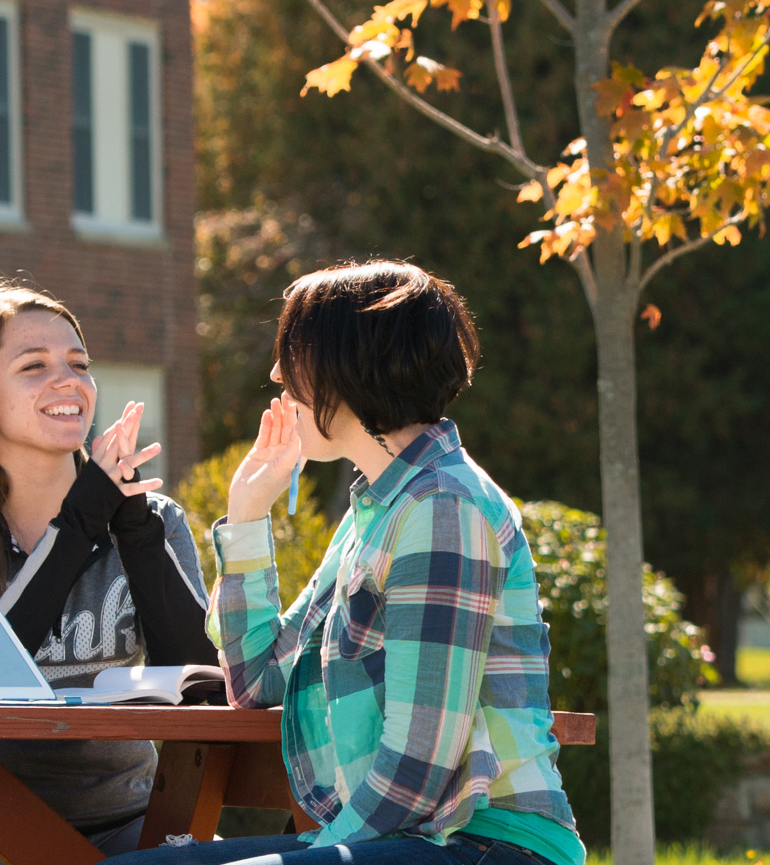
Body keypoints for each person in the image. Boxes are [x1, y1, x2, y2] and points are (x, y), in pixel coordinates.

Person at [102, 260, 584, 865]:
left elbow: (419, 765)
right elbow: (256, 682)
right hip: (404, 837)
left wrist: (320, 848)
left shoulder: (443, 508)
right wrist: (247, 512)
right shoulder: (376, 513)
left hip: (484, 843)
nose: (276, 374)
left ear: (349, 365)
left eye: (294, 355)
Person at [0, 286, 210, 865]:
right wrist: (78, 522)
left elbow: (198, 686)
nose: (68, 381)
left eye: (79, 364)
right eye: (34, 366)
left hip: (129, 819)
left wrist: (135, 533)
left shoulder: (154, 519)